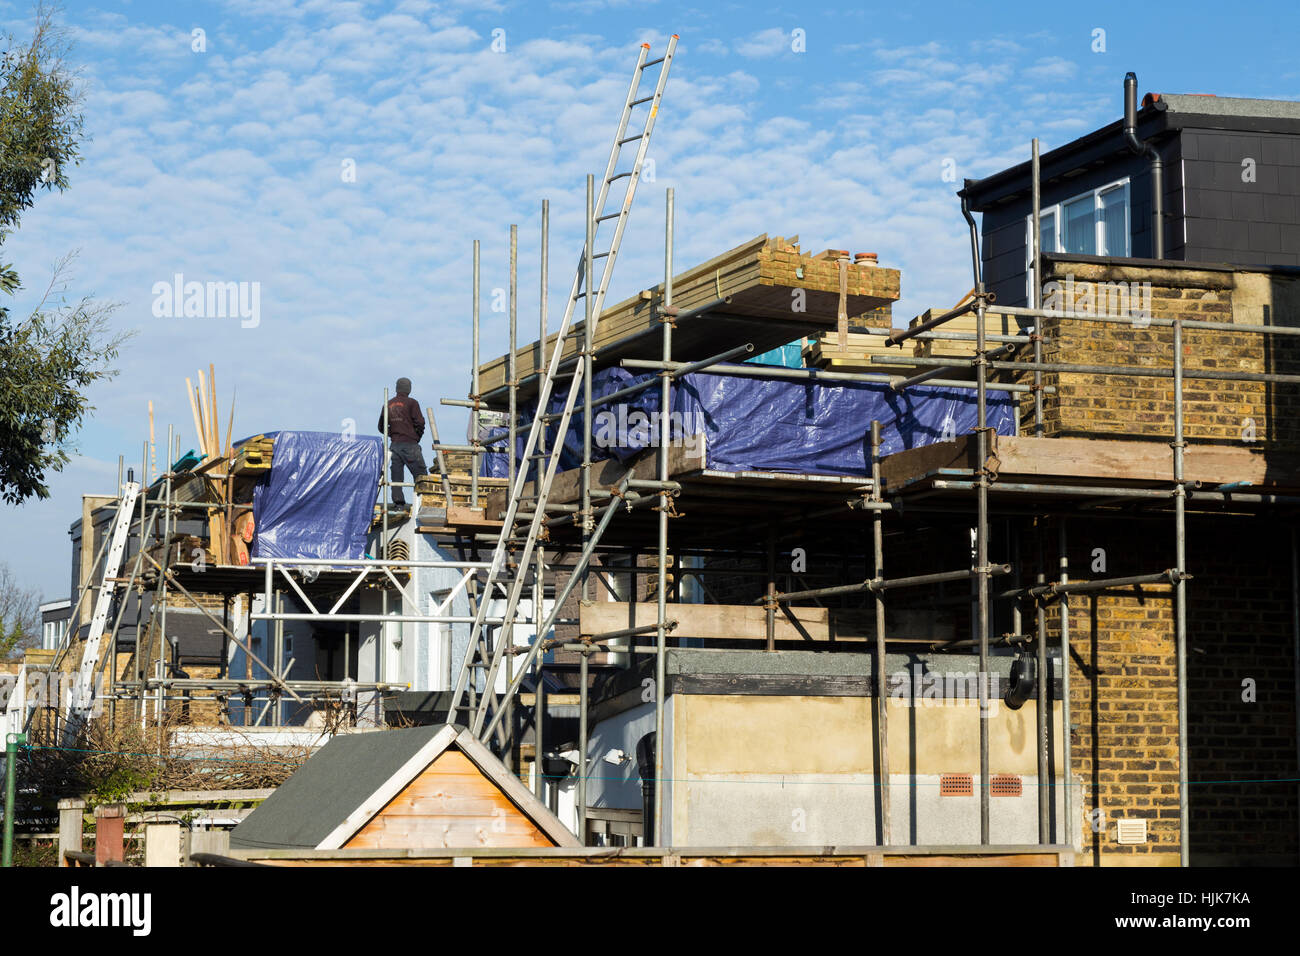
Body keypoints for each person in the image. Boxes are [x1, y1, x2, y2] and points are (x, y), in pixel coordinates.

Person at [378, 377, 427, 510]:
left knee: (396, 476)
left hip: (394, 445)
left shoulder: (387, 404)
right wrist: (416, 436)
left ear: (397, 388)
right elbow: (420, 423)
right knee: (421, 475)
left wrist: (392, 431)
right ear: (408, 388)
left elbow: (381, 427)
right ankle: (424, 501)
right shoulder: (412, 403)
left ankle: (399, 504)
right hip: (410, 444)